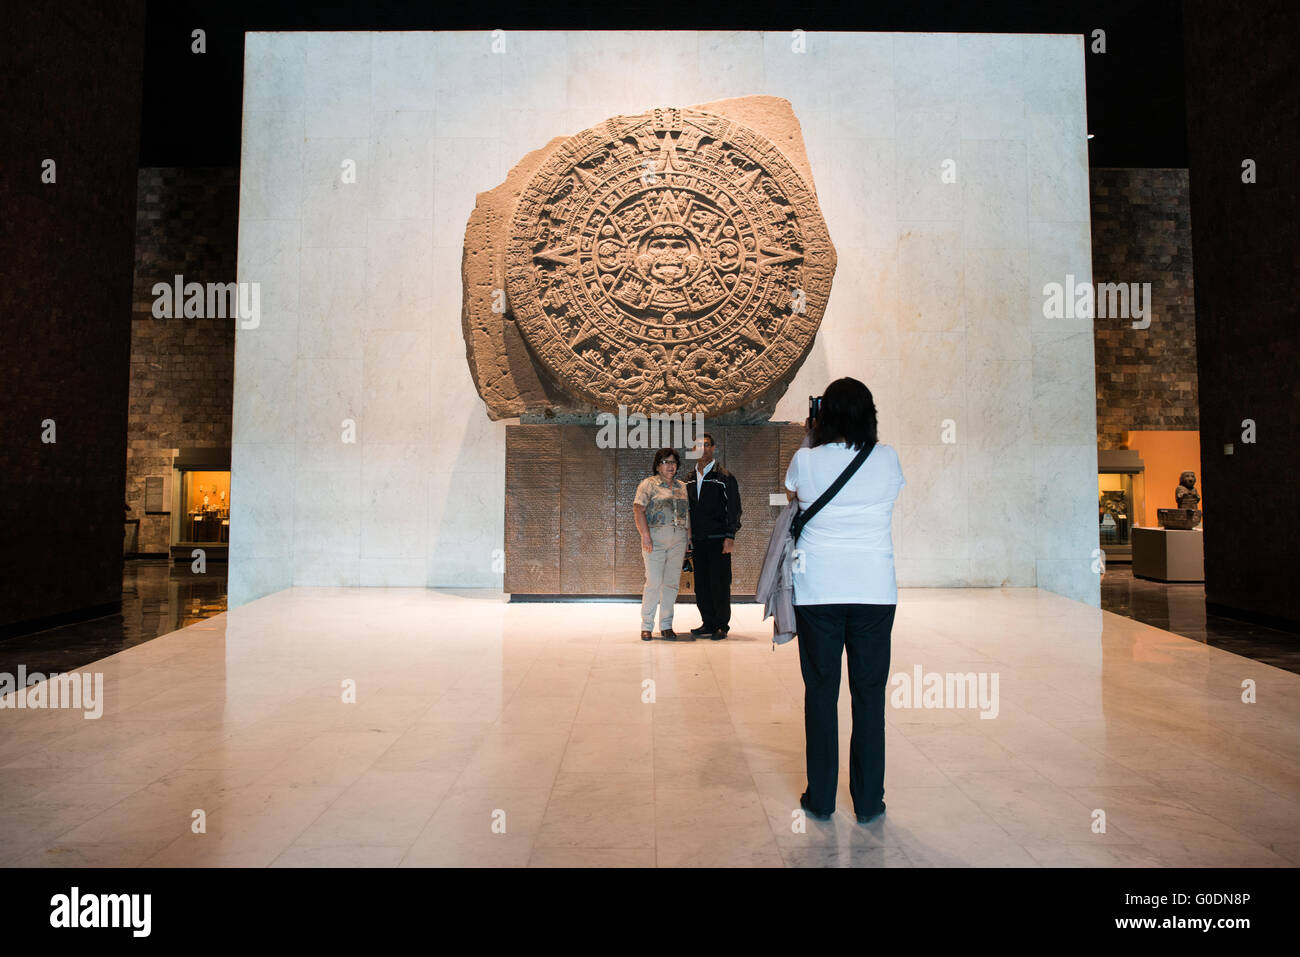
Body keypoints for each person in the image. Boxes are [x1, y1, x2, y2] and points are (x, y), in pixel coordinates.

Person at [784, 377, 905, 825]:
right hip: (874, 591)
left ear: (824, 414)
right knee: (869, 696)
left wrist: (812, 436)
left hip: (819, 591)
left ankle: (821, 799)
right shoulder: (887, 458)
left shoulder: (805, 459)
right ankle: (869, 802)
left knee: (820, 693)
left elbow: (795, 493)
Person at [633, 448, 694, 641]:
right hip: (655, 540)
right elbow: (638, 510)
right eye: (666, 462)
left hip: (679, 540)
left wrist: (689, 538)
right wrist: (645, 535)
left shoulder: (682, 486)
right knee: (653, 582)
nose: (670, 466)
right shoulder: (648, 485)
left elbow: (687, 514)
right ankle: (647, 625)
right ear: (658, 465)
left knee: (671, 584)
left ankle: (666, 625)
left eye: (673, 462)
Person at [685, 433, 742, 638]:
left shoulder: (724, 477)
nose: (703, 449)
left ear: (714, 448)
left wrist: (730, 536)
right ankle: (707, 622)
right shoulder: (689, 479)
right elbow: (686, 511)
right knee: (701, 585)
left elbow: (734, 508)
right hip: (698, 541)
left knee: (719, 583)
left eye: (707, 445)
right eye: (698, 446)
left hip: (719, 540)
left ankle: (721, 625)